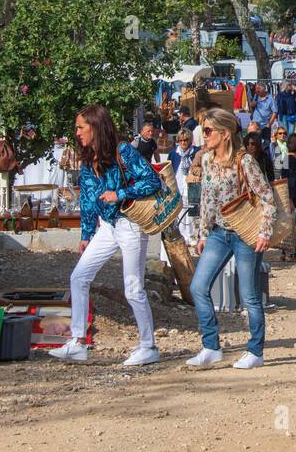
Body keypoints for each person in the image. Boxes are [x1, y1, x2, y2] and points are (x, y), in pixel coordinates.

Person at [50, 104, 162, 366]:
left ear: (95, 127)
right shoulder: (89, 159)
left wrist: (119, 194)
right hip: (108, 227)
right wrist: (86, 234)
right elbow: (88, 199)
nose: (77, 132)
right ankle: (78, 342)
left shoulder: (123, 151)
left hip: (131, 223)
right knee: (79, 277)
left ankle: (148, 346)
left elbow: (152, 181)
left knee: (133, 288)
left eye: (81, 127)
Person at [188, 108, 275, 369]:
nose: (204, 136)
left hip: (245, 234)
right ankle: (211, 346)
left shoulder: (245, 161)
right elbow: (206, 199)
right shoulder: (205, 160)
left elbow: (267, 197)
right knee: (198, 287)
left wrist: (265, 232)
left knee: (249, 295)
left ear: (225, 134)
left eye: (207, 131)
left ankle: (255, 351)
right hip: (218, 233)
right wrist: (202, 233)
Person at [168, 128, 201, 251]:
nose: (183, 142)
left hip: (192, 184)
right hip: (179, 184)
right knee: (180, 212)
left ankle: (191, 235)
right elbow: (170, 168)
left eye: (186, 140)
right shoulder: (174, 153)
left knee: (192, 211)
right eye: (181, 140)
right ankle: (182, 235)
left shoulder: (196, 152)